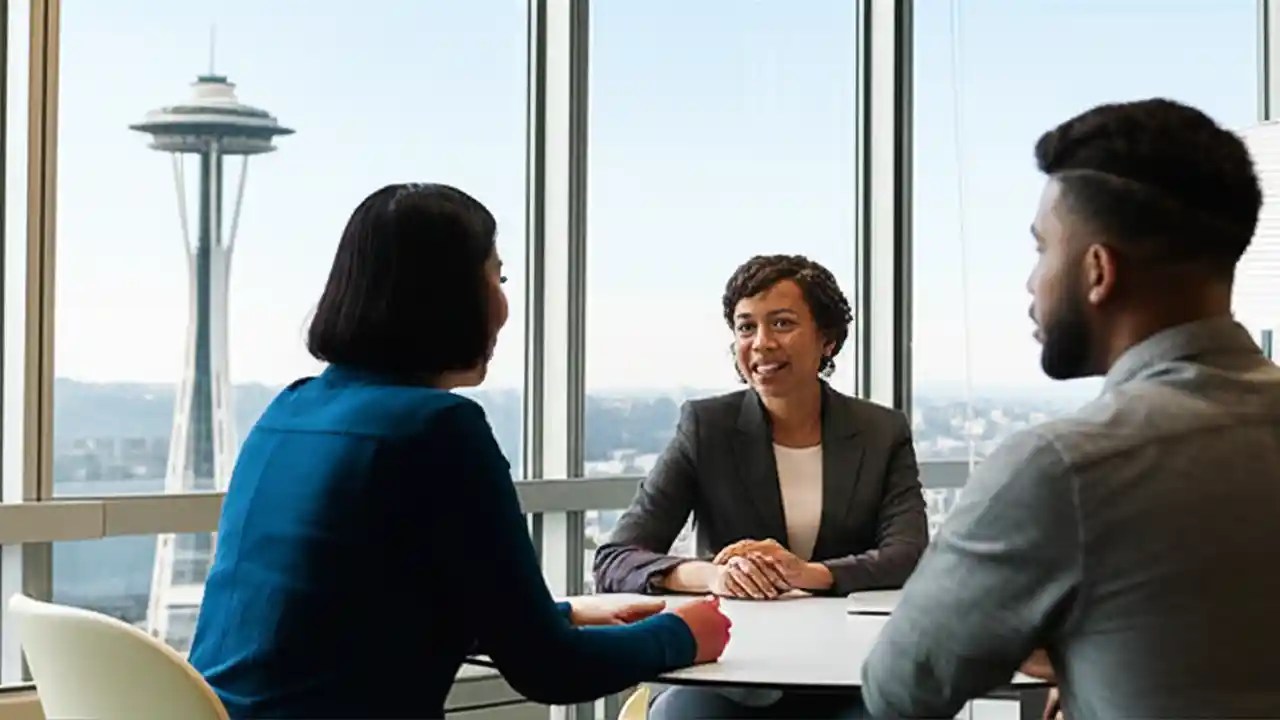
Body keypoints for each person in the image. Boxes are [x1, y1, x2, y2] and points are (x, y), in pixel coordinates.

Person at [187, 183, 731, 719]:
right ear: (448, 295)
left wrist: (560, 614)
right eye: (498, 277)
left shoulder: (288, 411)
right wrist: (683, 634)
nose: (504, 305)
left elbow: (349, 618)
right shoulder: (437, 428)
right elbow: (550, 668)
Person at [861, 98, 1280, 718]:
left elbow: (898, 690)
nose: (1031, 282)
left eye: (1041, 249)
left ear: (1098, 271)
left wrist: (1066, 642)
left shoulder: (1064, 468)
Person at [593, 254, 928, 718]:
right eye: (746, 327)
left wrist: (808, 573)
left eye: (782, 323)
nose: (762, 343)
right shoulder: (706, 426)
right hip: (732, 670)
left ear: (827, 339)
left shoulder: (880, 431)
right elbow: (615, 560)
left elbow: (909, 555)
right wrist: (714, 576)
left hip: (851, 673)